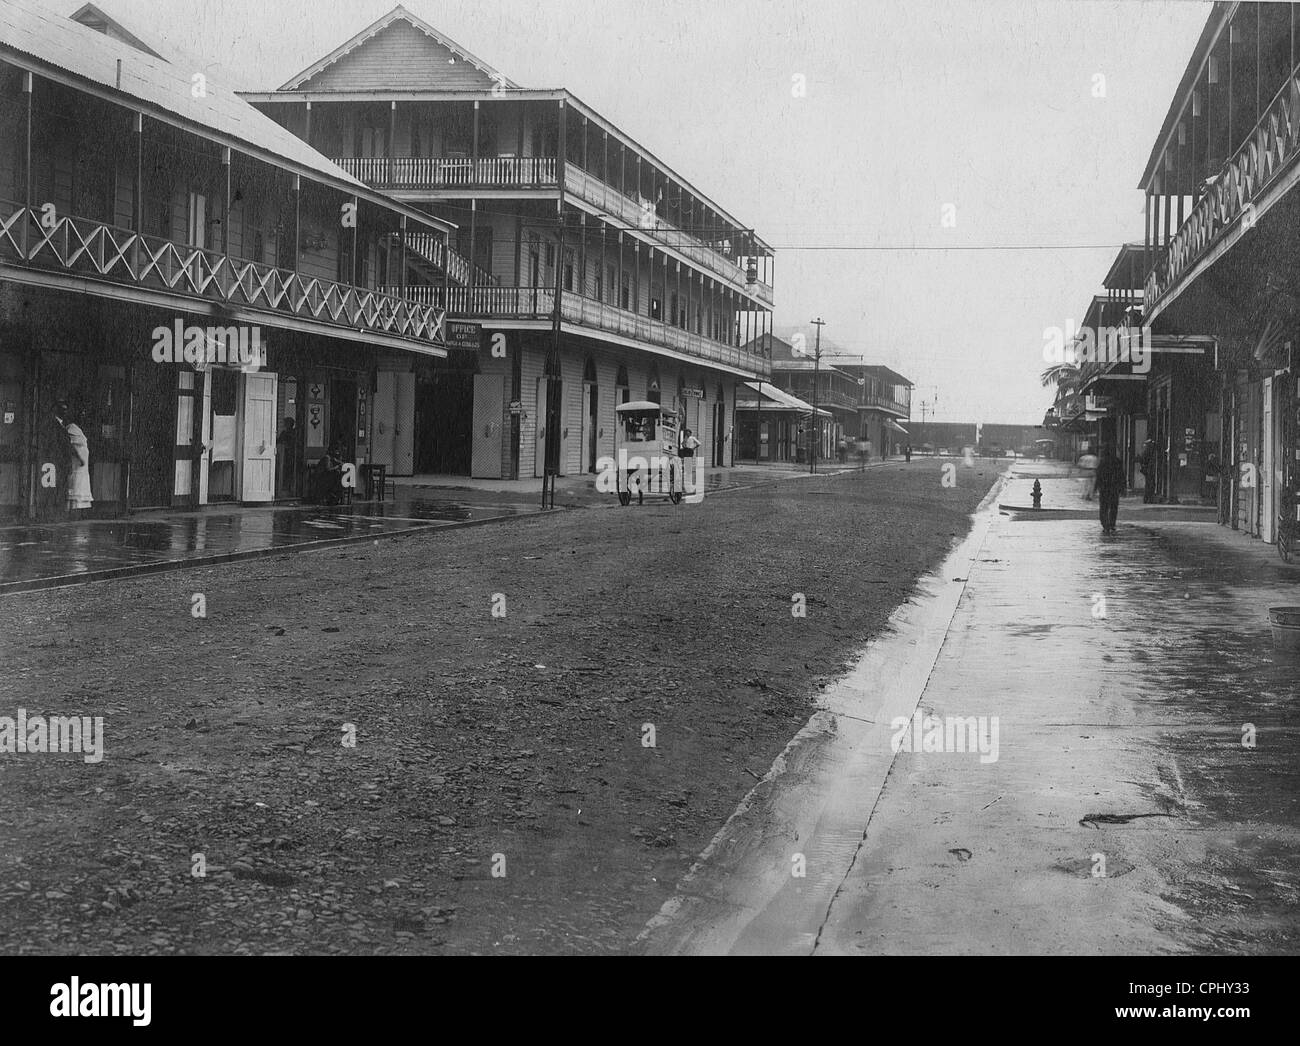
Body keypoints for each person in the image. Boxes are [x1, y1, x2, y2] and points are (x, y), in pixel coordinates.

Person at [54, 402, 93, 514]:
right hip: (77, 463)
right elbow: (71, 445)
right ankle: (73, 508)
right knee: (75, 484)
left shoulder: (78, 429)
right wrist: (80, 458)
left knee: (79, 483)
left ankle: (78, 508)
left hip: (82, 466)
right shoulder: (71, 428)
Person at [1093, 444, 1126, 533]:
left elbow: (1098, 476)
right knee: (1113, 507)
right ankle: (1112, 523)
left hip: (1104, 489)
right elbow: (1122, 475)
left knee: (1104, 507)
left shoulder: (1102, 463)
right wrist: (1123, 488)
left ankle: (1105, 524)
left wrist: (1095, 488)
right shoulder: (1117, 461)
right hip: (1114, 488)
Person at [1138, 439, 1158, 503]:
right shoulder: (1149, 451)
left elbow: (1142, 459)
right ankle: (1148, 498)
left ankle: (1147, 499)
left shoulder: (1146, 451)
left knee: (1148, 484)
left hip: (1147, 470)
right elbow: (1144, 459)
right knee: (1150, 484)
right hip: (1149, 470)